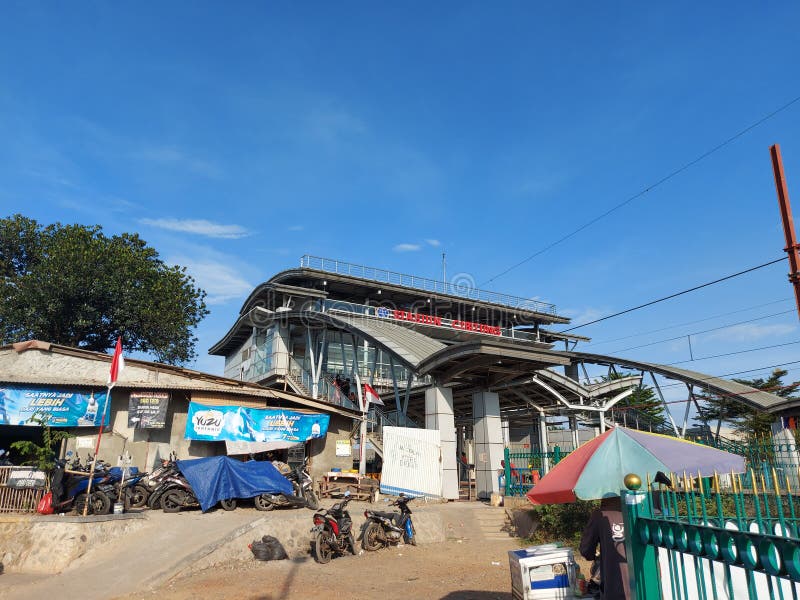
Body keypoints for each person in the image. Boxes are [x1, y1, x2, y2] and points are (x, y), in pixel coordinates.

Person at [579, 496, 630, 599]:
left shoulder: (600, 514)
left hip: (614, 585)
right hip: (645, 582)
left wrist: (594, 555)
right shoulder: (637, 510)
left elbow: (586, 550)